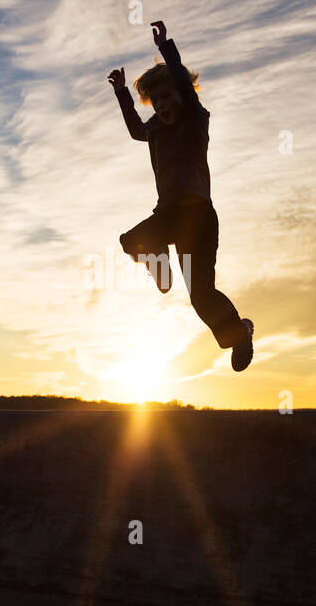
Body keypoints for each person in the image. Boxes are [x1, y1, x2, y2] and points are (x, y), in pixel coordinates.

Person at [108, 21, 254, 372]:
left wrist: (167, 49)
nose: (162, 104)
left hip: (199, 218)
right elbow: (134, 130)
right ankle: (158, 261)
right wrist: (122, 93)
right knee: (131, 241)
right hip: (168, 215)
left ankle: (239, 333)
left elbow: (187, 94)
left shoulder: (194, 119)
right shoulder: (154, 130)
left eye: (167, 96)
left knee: (201, 295)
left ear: (181, 95)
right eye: (156, 100)